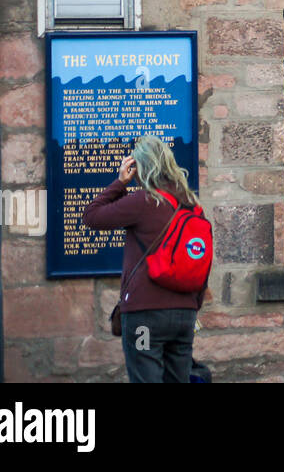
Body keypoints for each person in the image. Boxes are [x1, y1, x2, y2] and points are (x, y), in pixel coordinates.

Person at [83, 136, 207, 383]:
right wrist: (194, 305)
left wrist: (120, 182)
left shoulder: (143, 201)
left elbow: (91, 216)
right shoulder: (192, 205)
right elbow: (201, 261)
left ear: (141, 167)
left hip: (145, 316)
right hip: (184, 315)